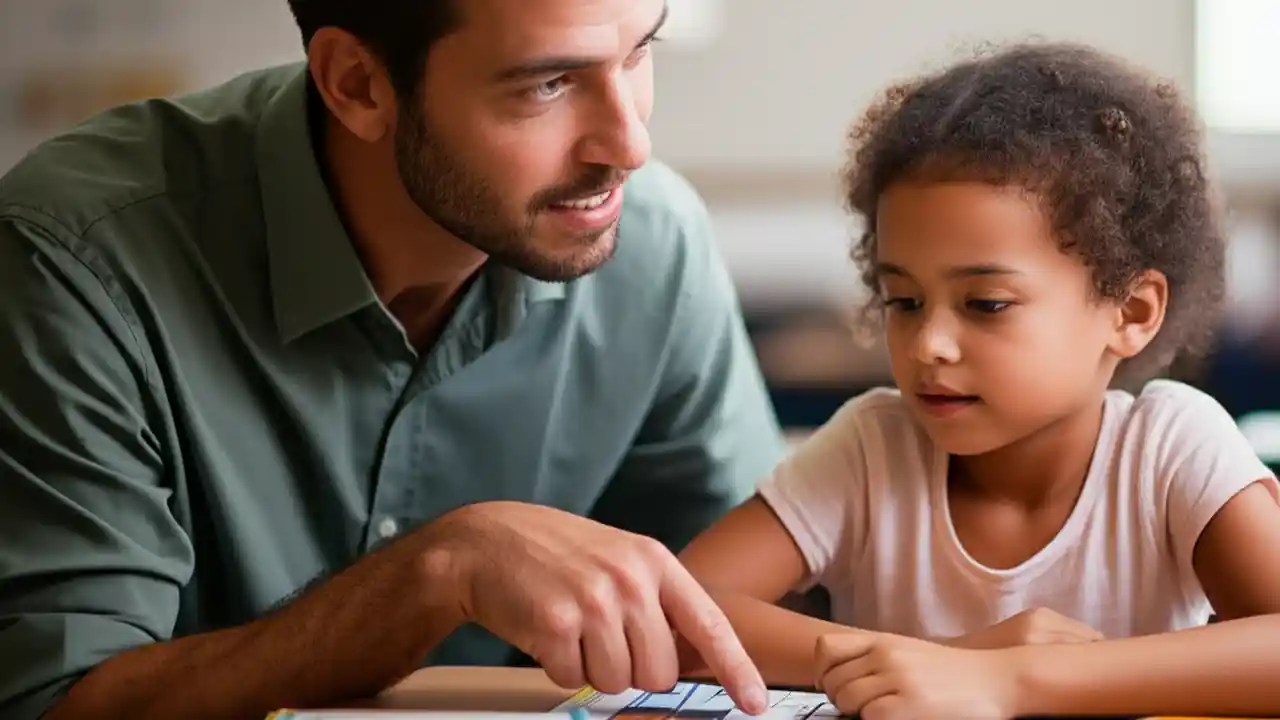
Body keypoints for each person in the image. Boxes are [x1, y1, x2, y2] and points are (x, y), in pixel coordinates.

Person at [0, 1, 786, 717]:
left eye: (639, 52)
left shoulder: (654, 247)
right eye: (547, 84)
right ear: (358, 86)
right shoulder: (76, 261)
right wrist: (436, 573)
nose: (631, 144)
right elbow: (56, 705)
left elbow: (743, 616)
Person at [679, 42, 1280, 719]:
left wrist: (1015, 680)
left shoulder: (1171, 449)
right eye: (903, 301)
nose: (928, 344)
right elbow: (678, 615)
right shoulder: (871, 450)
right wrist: (929, 661)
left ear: (1130, 313)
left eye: (985, 304)